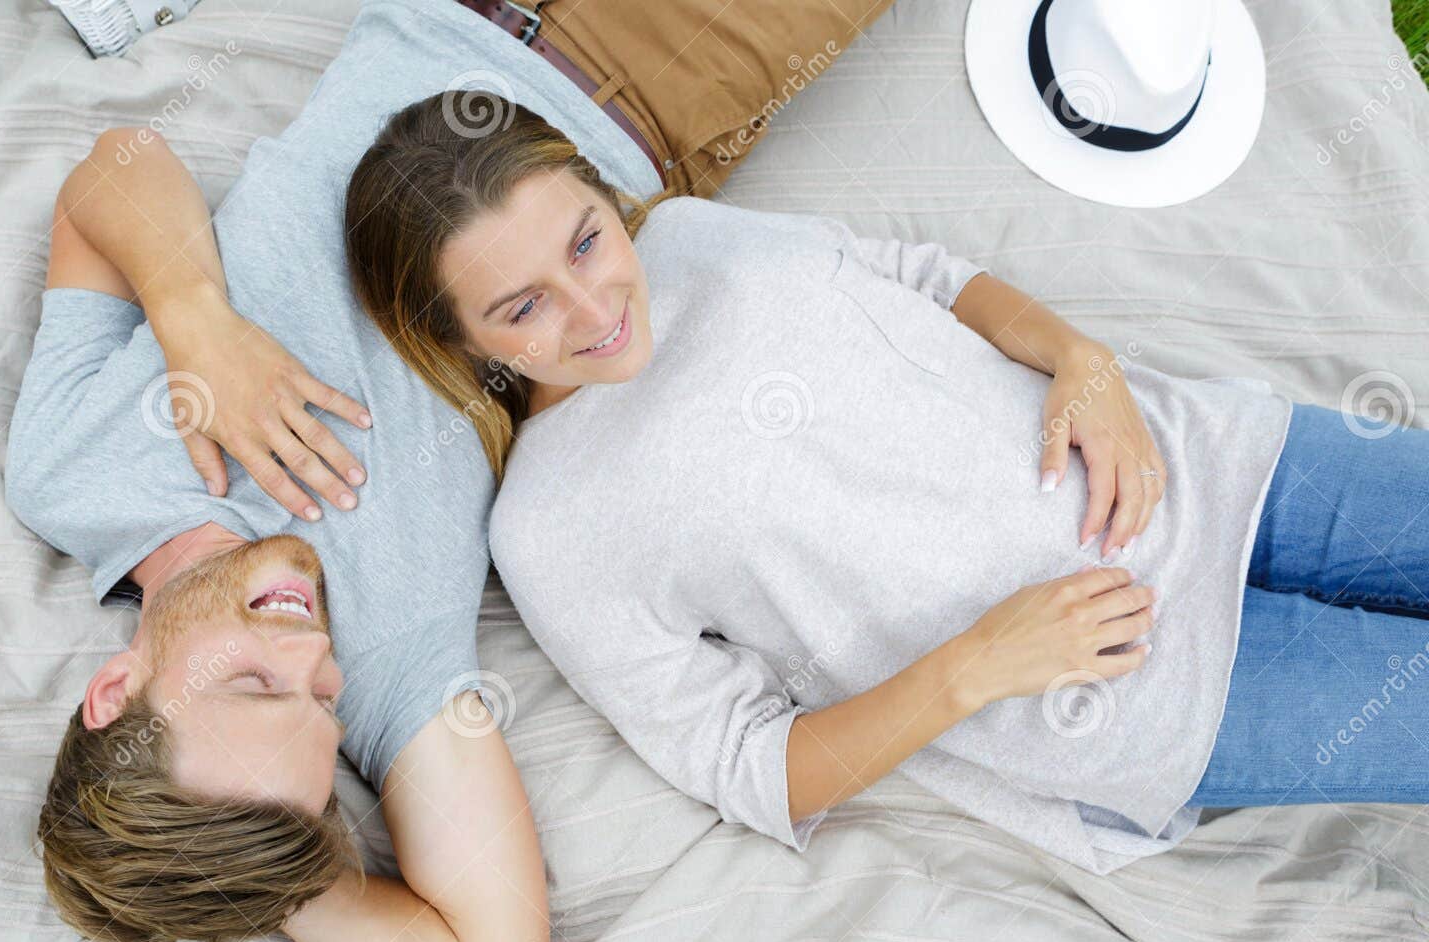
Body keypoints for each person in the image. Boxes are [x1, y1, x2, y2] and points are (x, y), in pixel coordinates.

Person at [7, 0, 889, 942]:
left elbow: (121, 161)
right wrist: (257, 868)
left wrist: (197, 322)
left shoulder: (68, 471)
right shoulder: (387, 666)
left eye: (250, 680)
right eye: (315, 705)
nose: (304, 647)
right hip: (636, 94)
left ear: (115, 687)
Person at [336, 92, 1429, 876]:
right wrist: (973, 667)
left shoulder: (685, 233)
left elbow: (925, 276)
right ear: (456, 340)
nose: (590, 308)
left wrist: (1077, 358)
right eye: (520, 308)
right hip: (1134, 676)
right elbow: (749, 767)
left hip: (1203, 457)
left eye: (583, 240)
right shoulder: (546, 528)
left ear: (598, 193)